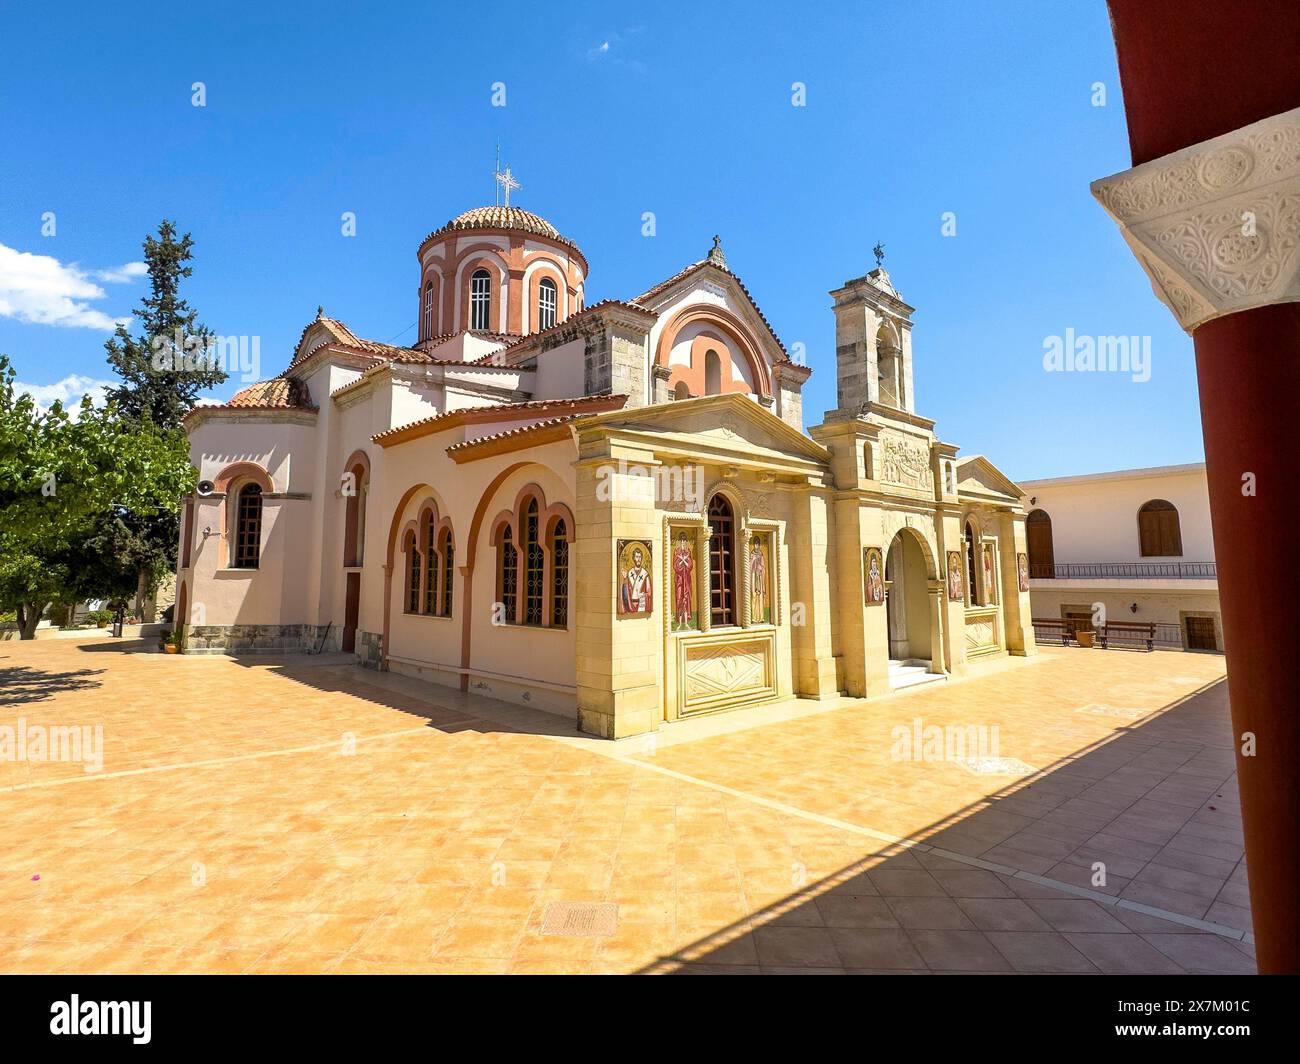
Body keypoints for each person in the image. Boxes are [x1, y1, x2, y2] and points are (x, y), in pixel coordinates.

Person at [621, 546, 652, 614]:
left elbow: (649, 592)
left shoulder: (645, 574)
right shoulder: (629, 573)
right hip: (631, 605)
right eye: (637, 557)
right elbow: (626, 592)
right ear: (633, 558)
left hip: (642, 605)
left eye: (640, 557)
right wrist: (625, 578)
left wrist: (643, 596)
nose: (638, 559)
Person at [672, 533, 694, 628]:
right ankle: (679, 622)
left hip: (687, 579)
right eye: (681, 541)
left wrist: (685, 560)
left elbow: (690, 565)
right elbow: (676, 566)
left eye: (684, 541)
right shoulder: (676, 552)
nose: (682, 542)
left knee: (687, 598)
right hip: (679, 580)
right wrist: (682, 560)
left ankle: (686, 621)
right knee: (679, 598)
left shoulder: (688, 551)